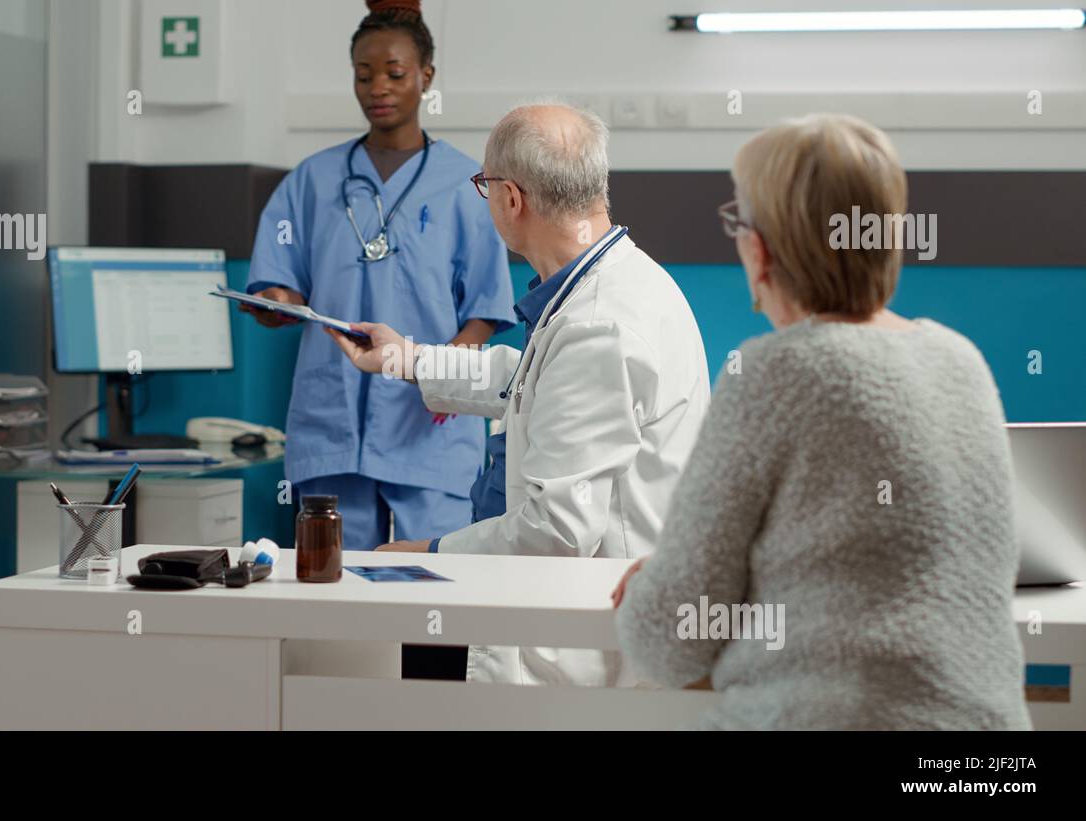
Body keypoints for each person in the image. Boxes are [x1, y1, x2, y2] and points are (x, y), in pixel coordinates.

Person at [612, 114, 1033, 730]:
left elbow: (670, 640)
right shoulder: (959, 360)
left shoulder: (774, 373)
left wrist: (656, 587)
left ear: (760, 251)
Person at [329, 102, 711, 687]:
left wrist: (426, 554)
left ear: (511, 199)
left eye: (485, 187)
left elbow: (557, 530)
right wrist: (406, 358)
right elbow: (532, 381)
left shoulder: (598, 324)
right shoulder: (609, 287)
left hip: (581, 653)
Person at [243, 0, 515, 552]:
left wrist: (444, 380)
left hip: (428, 421)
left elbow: (486, 309)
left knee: (440, 584)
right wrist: (276, 302)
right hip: (333, 420)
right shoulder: (312, 180)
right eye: (363, 75)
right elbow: (283, 284)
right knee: (333, 590)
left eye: (394, 73)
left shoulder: (467, 183)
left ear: (426, 77)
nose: (378, 88)